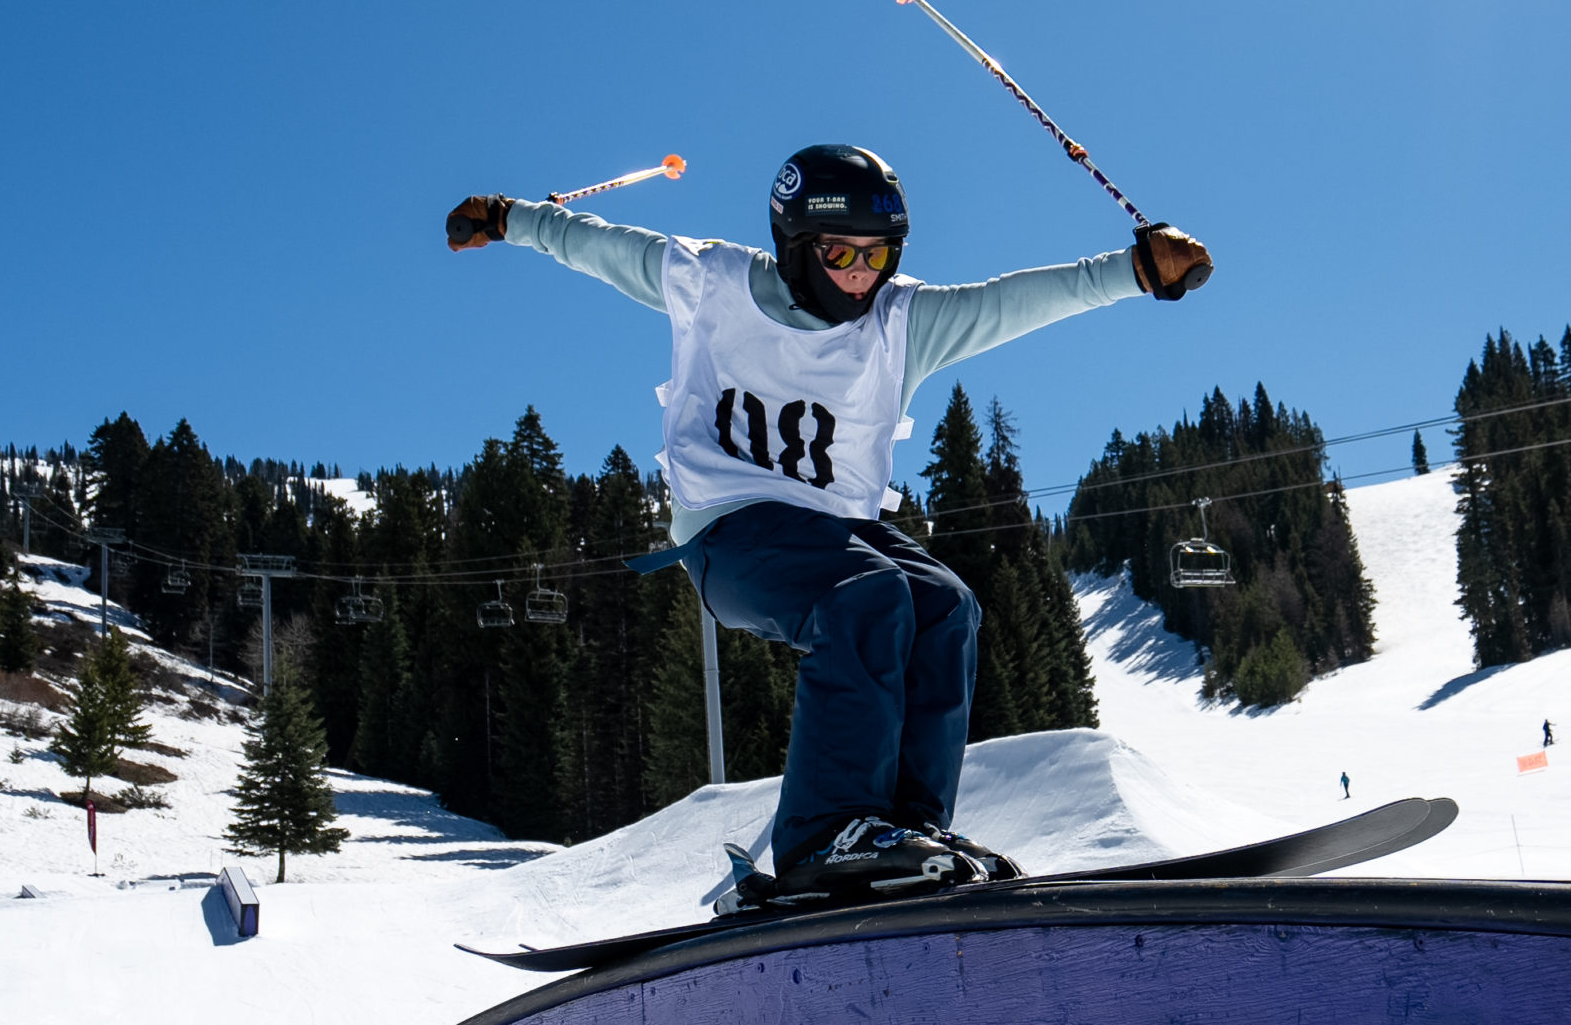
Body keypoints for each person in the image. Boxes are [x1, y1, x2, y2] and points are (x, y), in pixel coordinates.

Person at [448, 145, 1212, 905]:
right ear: (792, 245)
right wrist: (510, 219)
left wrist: (1136, 271)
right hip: (730, 531)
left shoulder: (900, 320)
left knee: (947, 605)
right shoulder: (706, 282)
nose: (858, 274)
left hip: (838, 531)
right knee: (867, 594)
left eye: (878, 256)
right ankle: (823, 835)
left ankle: (904, 832)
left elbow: (1012, 301)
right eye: (840, 252)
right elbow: (593, 244)